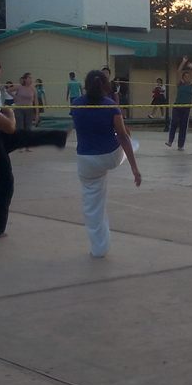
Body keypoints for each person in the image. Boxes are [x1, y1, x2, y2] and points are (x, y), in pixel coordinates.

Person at [0, 66, 68, 237]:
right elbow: (9, 127)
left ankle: (59, 137)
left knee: (22, 136)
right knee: (5, 184)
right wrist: (10, 112)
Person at [70, 69, 142, 257]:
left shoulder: (76, 104)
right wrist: (135, 169)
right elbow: (123, 137)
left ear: (85, 86)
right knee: (131, 141)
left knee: (92, 206)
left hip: (87, 160)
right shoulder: (111, 106)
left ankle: (98, 249)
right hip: (110, 157)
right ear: (106, 86)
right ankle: (131, 153)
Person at [166, 56, 192, 150]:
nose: (187, 78)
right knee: (174, 123)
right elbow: (178, 72)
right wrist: (183, 62)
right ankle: (170, 141)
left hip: (186, 108)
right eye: (185, 76)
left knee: (183, 126)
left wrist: (191, 67)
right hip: (177, 107)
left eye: (189, 77)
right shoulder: (180, 84)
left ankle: (180, 145)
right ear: (183, 78)